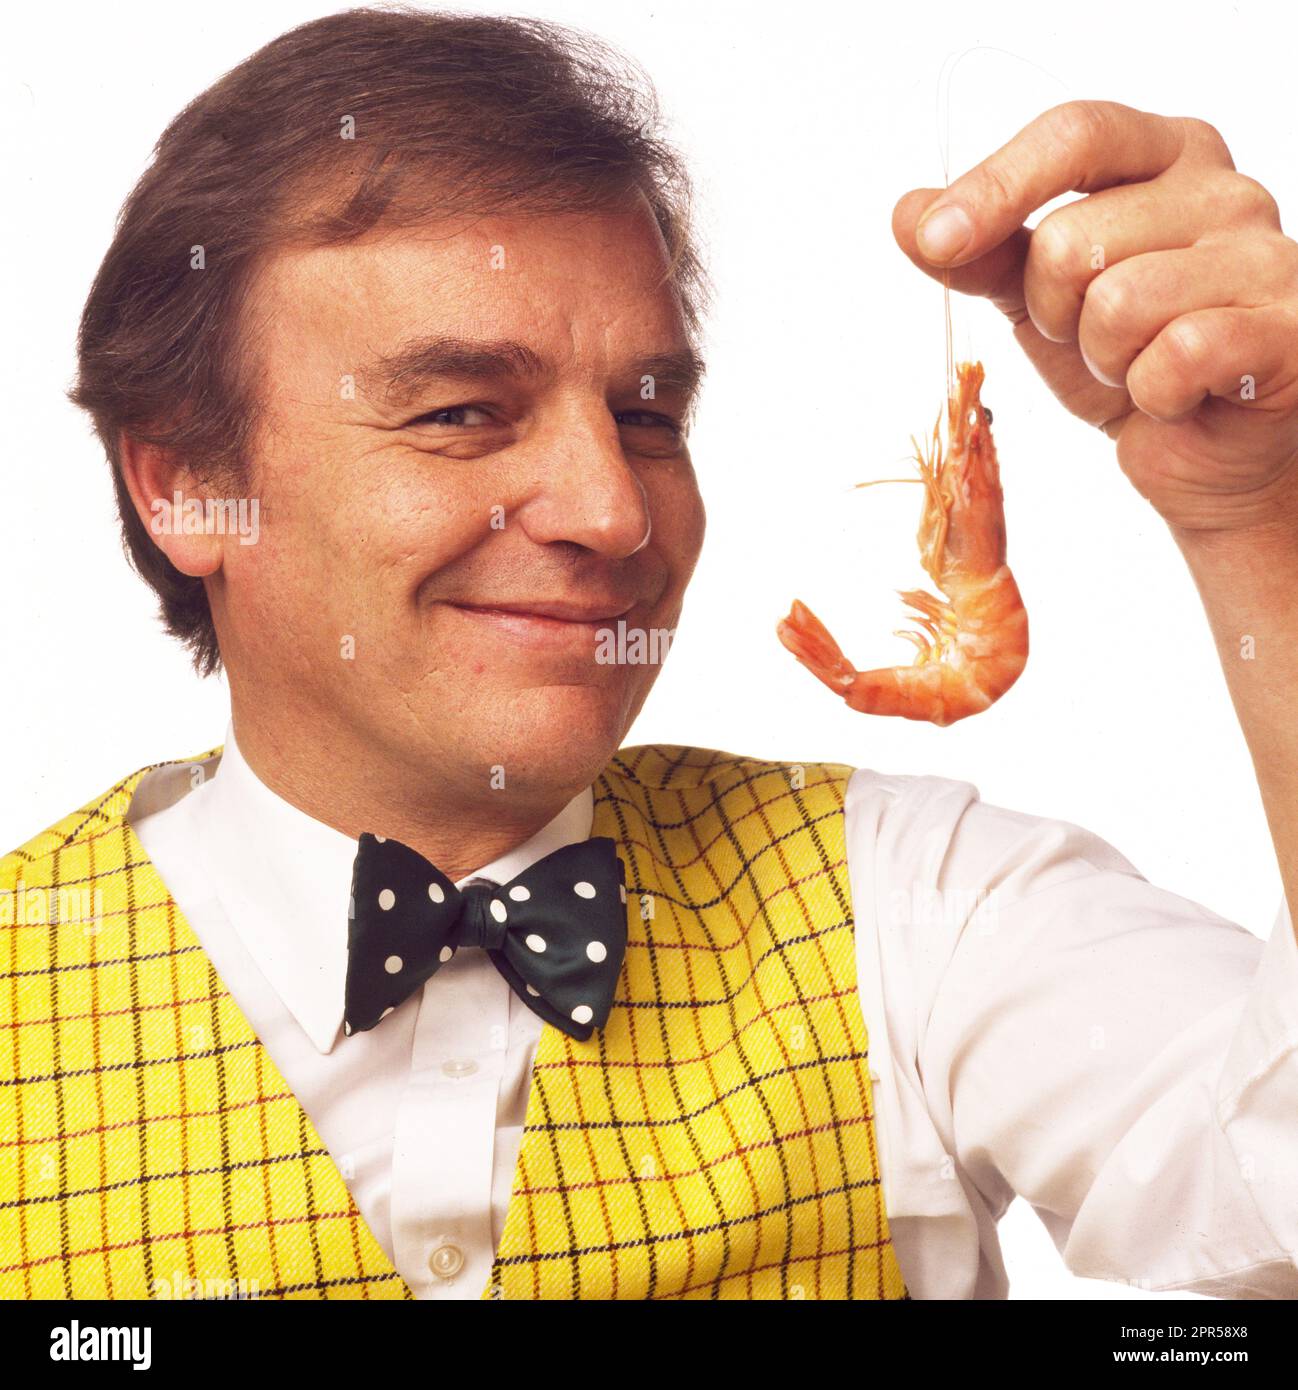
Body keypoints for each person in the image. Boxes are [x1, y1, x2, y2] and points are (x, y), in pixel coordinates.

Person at [2, 8, 1295, 1301]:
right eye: (461, 411)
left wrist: (1258, 514)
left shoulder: (915, 902)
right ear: (184, 485)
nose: (614, 510)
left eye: (646, 413)